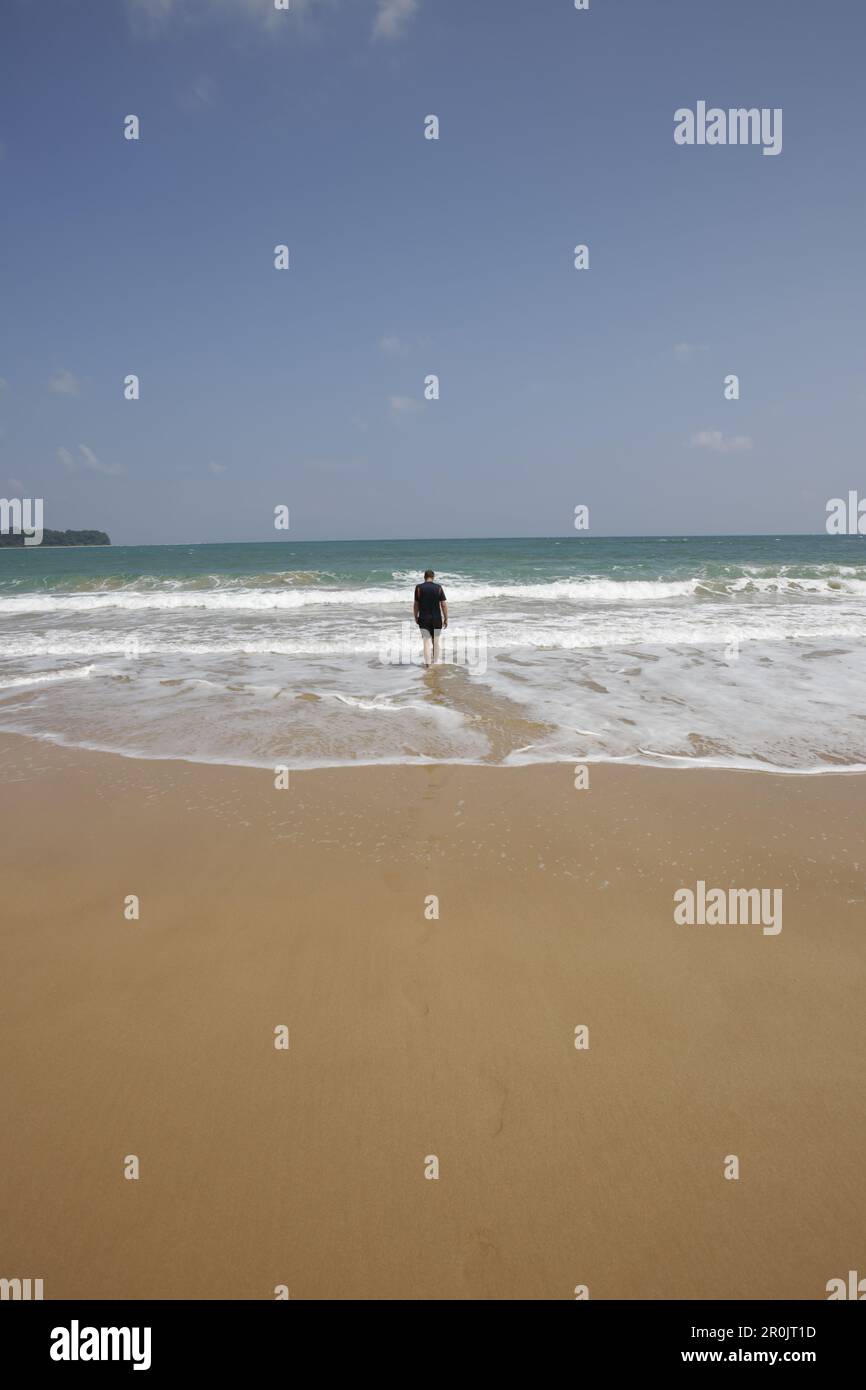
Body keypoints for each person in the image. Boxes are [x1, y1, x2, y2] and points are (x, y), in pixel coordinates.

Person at [413, 569, 448, 666]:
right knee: (436, 642)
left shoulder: (419, 588)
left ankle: (428, 664)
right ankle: (436, 662)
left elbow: (416, 604)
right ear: (433, 577)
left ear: (424, 577)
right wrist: (446, 618)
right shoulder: (439, 588)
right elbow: (443, 604)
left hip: (424, 618)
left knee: (426, 642)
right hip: (437, 619)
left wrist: (416, 616)